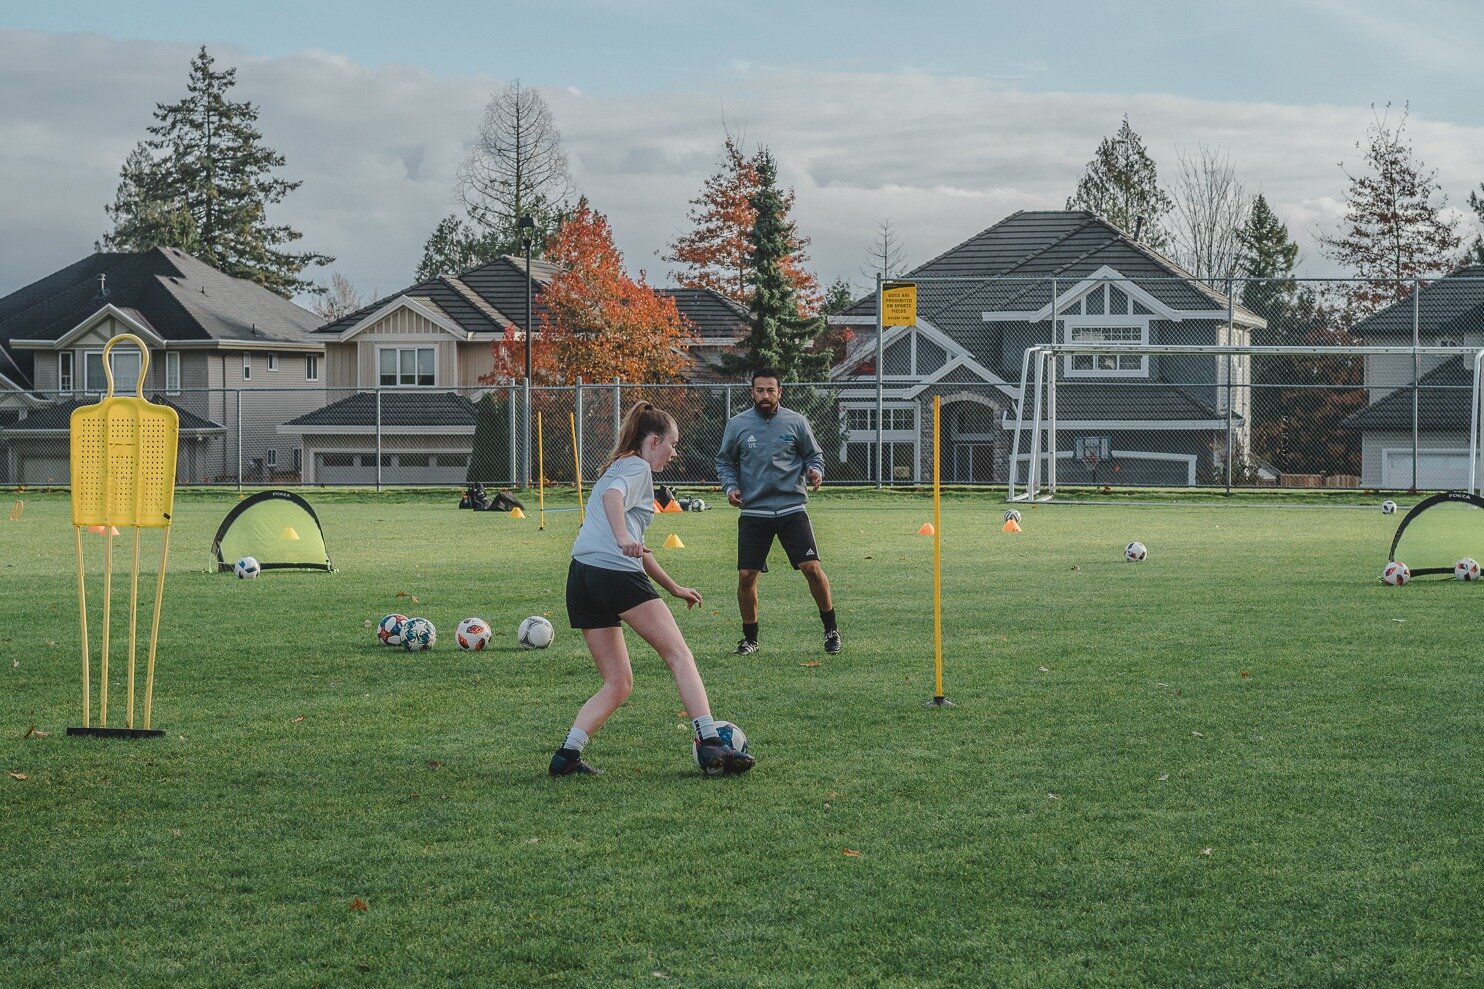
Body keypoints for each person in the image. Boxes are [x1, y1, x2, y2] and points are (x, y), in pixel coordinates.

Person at [551, 401, 755, 777]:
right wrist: (622, 536)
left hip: (582, 577)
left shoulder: (620, 465)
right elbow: (615, 499)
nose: (674, 452)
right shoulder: (636, 466)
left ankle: (567, 755)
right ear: (655, 440)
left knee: (619, 682)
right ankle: (710, 740)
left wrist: (673, 586)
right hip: (614, 575)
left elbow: (638, 548)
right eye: (672, 444)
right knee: (680, 654)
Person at [715, 368, 840, 657]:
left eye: (771, 390)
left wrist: (815, 471)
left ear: (779, 392)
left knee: (812, 568)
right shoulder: (737, 425)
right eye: (760, 390)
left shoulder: (796, 422)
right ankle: (750, 639)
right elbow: (725, 463)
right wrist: (730, 487)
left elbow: (814, 455)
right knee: (747, 576)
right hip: (754, 512)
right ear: (752, 392)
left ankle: (830, 629)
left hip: (792, 508)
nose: (765, 395)